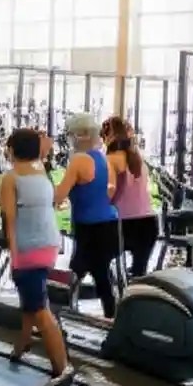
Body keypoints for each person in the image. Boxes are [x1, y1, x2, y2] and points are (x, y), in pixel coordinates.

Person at [0, 128, 76, 386]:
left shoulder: (11, 178)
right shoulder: (42, 175)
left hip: (28, 249)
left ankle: (62, 368)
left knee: (40, 308)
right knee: (30, 298)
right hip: (49, 245)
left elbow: (10, 221)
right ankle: (22, 345)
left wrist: (13, 257)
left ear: (12, 150)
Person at [54, 113, 122, 318]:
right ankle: (110, 315)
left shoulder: (79, 160)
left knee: (82, 271)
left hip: (90, 228)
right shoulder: (103, 159)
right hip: (110, 223)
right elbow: (108, 191)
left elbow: (59, 195)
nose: (68, 139)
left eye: (70, 134)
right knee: (99, 273)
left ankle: (63, 315)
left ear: (81, 135)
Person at [103, 116, 158, 277]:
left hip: (123, 225)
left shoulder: (111, 159)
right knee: (138, 274)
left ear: (108, 136)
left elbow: (110, 192)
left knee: (96, 260)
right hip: (149, 224)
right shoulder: (139, 159)